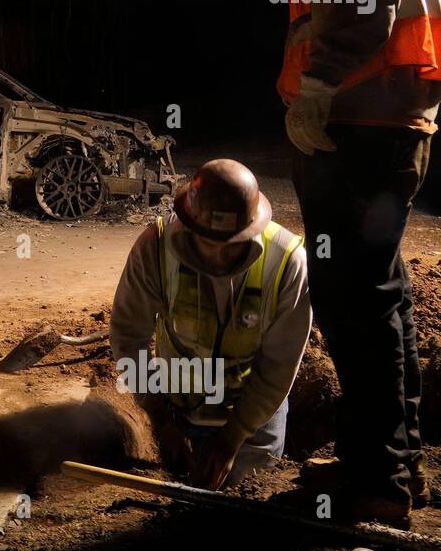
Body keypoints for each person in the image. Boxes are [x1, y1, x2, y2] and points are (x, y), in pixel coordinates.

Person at [267, 0, 441, 522]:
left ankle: (377, 482)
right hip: (376, 117)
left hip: (361, 119)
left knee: (355, 300)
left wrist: (322, 84)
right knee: (376, 296)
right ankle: (385, 463)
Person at [110, 159, 311, 489]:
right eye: (208, 243)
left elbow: (279, 366)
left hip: (254, 418)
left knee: (248, 501)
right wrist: (160, 420)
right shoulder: (155, 247)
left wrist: (233, 437)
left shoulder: (287, 262)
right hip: (178, 406)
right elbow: (129, 338)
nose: (218, 258)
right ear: (188, 224)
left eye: (231, 245)